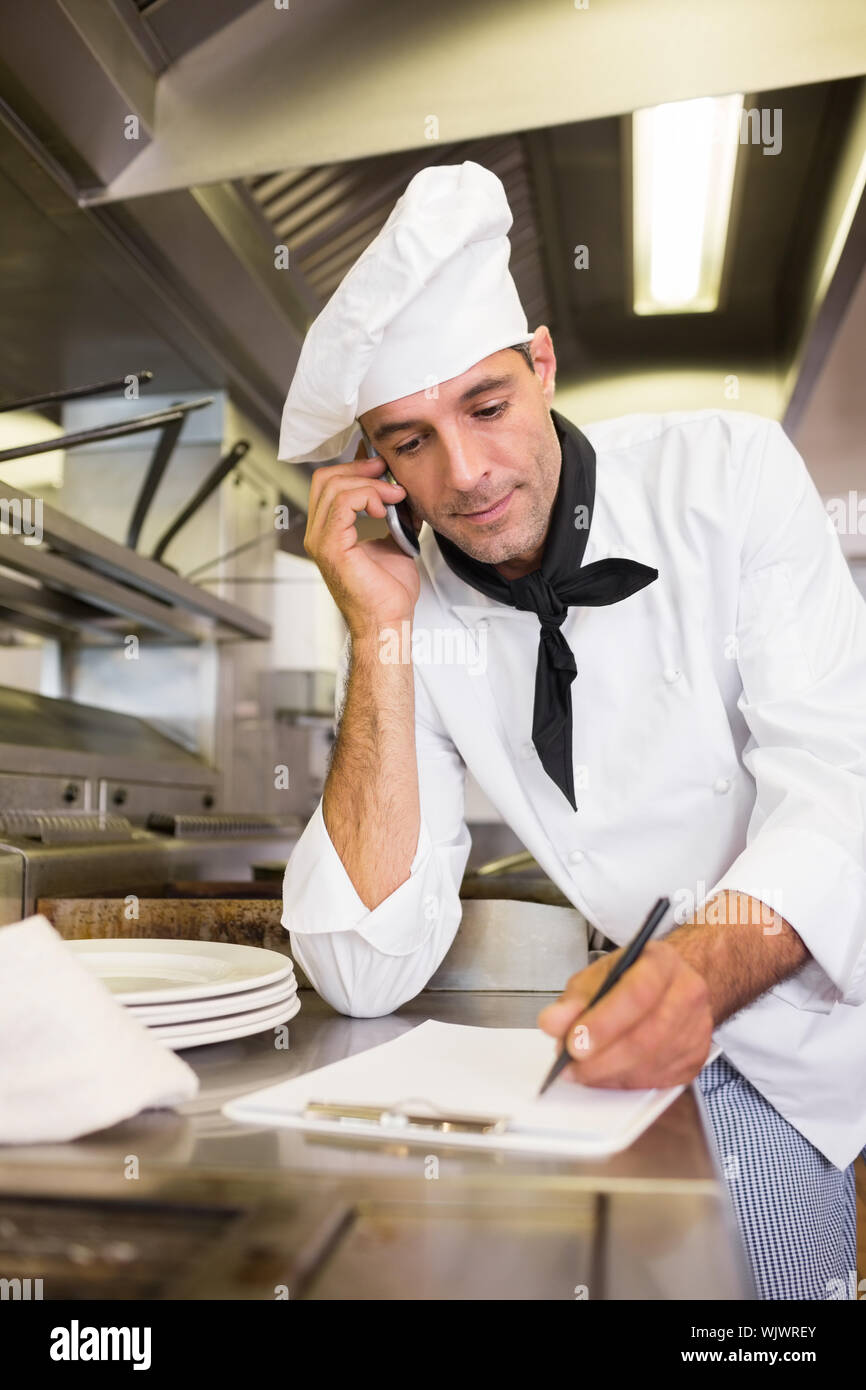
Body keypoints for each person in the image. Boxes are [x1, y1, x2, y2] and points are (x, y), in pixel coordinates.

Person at [276, 160, 866, 1300]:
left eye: (486, 408)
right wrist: (379, 634)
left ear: (541, 366)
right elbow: (361, 966)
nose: (466, 475)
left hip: (819, 1017)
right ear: (376, 466)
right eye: (408, 442)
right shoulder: (418, 601)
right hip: (639, 1047)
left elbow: (843, 782)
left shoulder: (726, 476)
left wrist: (691, 975)